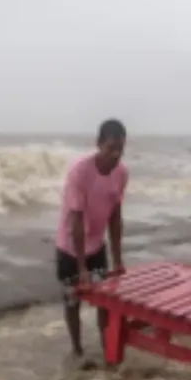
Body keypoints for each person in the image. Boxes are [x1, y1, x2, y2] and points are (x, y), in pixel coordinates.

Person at [54, 119, 128, 365]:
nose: (116, 154)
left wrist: (117, 260)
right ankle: (77, 350)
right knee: (72, 301)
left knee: (105, 302)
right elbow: (75, 220)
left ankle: (107, 349)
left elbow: (115, 217)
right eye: (110, 148)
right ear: (99, 144)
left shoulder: (121, 173)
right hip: (70, 247)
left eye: (120, 148)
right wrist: (81, 268)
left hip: (97, 246)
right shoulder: (80, 172)